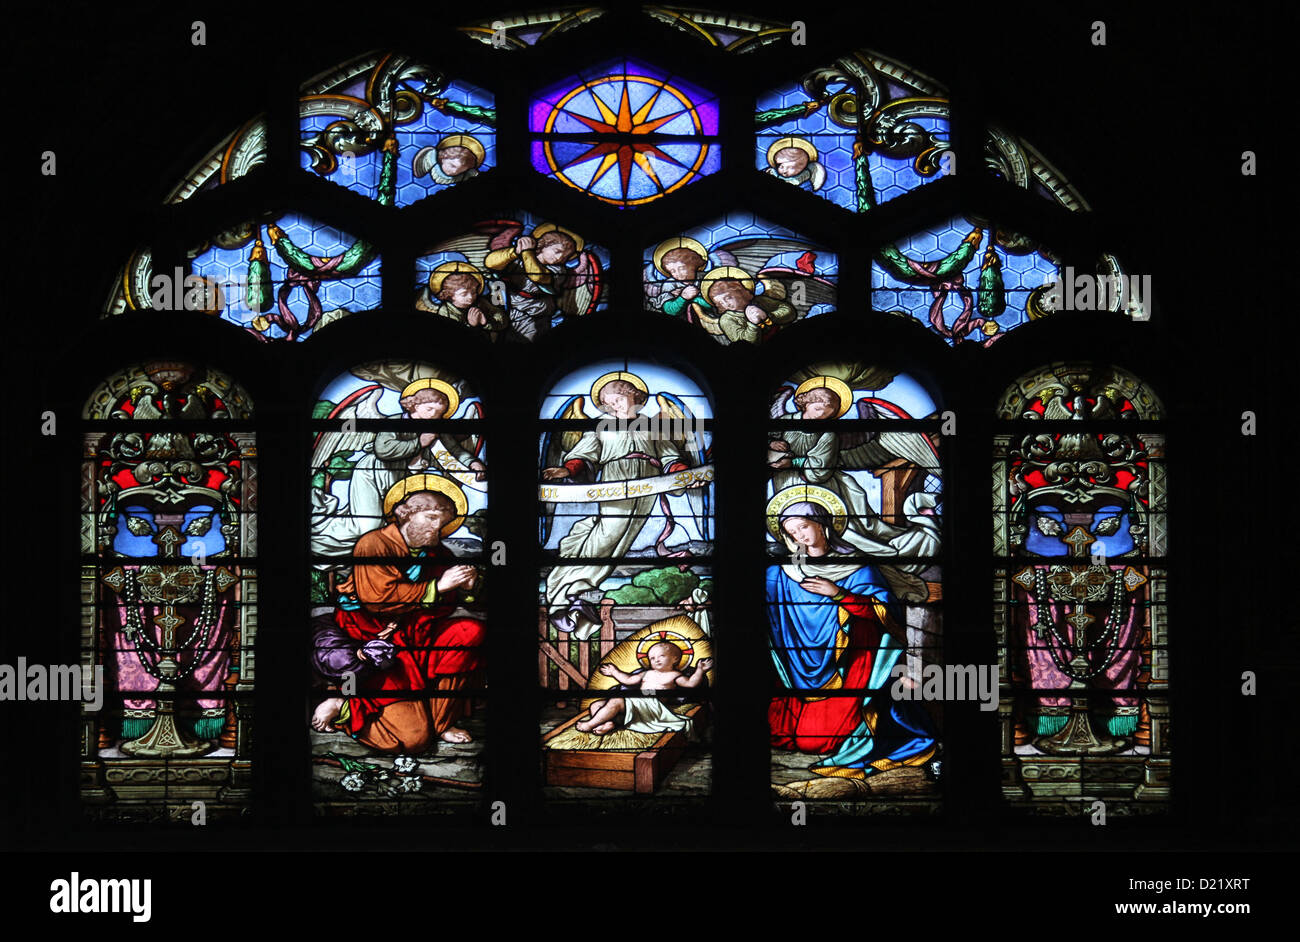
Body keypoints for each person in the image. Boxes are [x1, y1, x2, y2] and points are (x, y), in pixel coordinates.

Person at [310, 477, 484, 752]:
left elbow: (445, 603)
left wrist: (467, 588)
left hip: (418, 636)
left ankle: (442, 722)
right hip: (377, 645)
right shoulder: (374, 544)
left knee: (469, 632)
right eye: (430, 518)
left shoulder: (435, 552)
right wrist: (438, 586)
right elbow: (378, 600)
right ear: (406, 514)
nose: (436, 527)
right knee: (413, 739)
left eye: (442, 522)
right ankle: (345, 708)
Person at [766, 499, 936, 780]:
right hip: (796, 668)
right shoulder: (782, 572)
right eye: (792, 532)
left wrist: (839, 594)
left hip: (850, 664)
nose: (799, 537)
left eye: (804, 527)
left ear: (822, 524)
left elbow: (883, 614)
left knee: (815, 741)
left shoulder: (858, 567)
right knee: (784, 734)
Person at [542, 374, 705, 638]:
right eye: (607, 403)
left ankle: (578, 593)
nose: (613, 406)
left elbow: (669, 457)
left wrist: (687, 475)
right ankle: (565, 591)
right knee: (607, 535)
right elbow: (584, 455)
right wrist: (566, 470)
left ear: (635, 396)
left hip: (649, 484)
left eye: (617, 399)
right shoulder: (601, 427)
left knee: (622, 542)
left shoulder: (652, 427)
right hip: (616, 480)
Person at [576, 642, 712, 735]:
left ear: (675, 659)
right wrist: (614, 672)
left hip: (652, 705)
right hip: (637, 702)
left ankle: (590, 724)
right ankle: (605, 724)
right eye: (652, 658)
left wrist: (700, 670)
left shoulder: (674, 675)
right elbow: (628, 680)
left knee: (616, 700)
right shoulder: (646, 673)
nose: (656, 660)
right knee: (597, 704)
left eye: (661, 656)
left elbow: (690, 684)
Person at [484, 225, 583, 340]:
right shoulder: (519, 257)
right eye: (557, 251)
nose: (560, 257)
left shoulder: (559, 270)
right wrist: (515, 251)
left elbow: (538, 276)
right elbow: (489, 263)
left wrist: (527, 252)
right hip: (506, 306)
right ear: (544, 245)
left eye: (566, 256)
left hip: (534, 313)